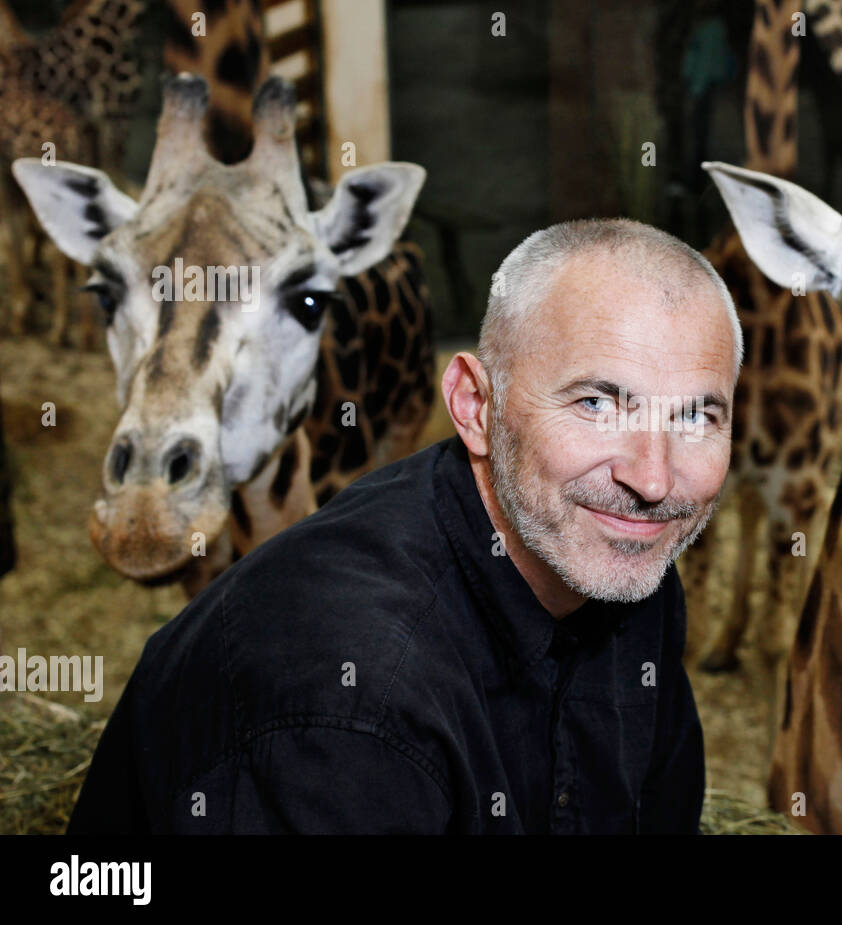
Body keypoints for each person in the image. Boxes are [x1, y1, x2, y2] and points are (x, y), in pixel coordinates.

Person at [66, 218, 742, 834]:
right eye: (596, 404)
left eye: (695, 417)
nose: (653, 480)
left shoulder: (620, 558)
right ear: (474, 406)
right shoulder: (352, 703)